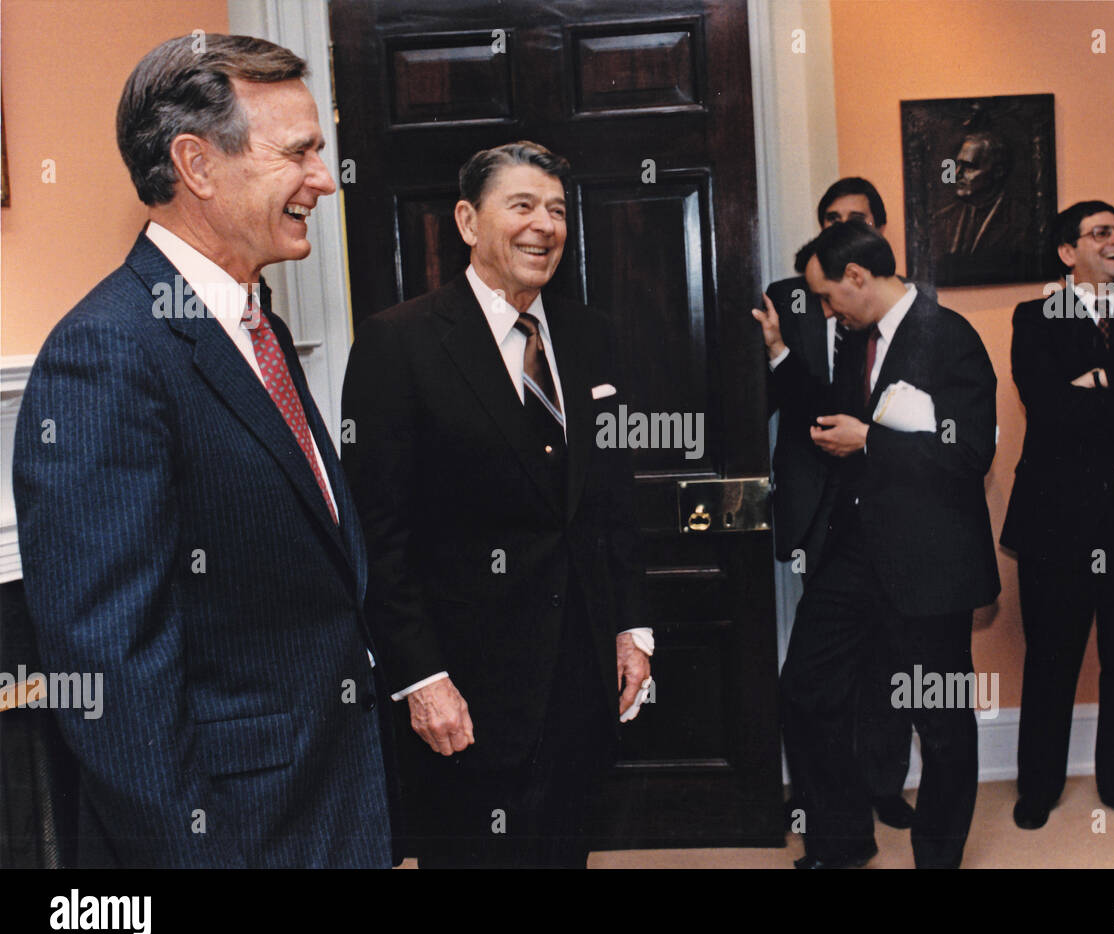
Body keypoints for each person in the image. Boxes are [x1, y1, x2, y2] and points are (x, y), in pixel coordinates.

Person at [11, 34, 395, 867]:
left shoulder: (262, 330)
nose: (324, 180)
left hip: (323, 805)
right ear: (196, 163)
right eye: (299, 153)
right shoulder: (106, 355)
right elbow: (112, 670)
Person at [341, 141, 653, 868]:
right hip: (466, 694)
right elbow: (378, 532)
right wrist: (419, 678)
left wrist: (632, 627)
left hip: (579, 683)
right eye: (522, 205)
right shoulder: (400, 342)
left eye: (556, 210)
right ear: (467, 220)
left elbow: (612, 499)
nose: (544, 225)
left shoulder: (591, 336)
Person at [753, 221, 999, 868]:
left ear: (858, 276)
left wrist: (873, 442)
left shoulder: (951, 337)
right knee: (805, 690)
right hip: (851, 557)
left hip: (928, 566)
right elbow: (830, 419)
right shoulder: (852, 339)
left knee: (940, 726)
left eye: (830, 295)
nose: (827, 310)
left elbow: (970, 450)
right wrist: (781, 352)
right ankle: (839, 845)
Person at [1002, 201, 1114, 832]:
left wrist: (1100, 387)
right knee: (1051, 659)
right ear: (1066, 252)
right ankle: (1038, 788)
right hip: (1057, 522)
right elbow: (1046, 405)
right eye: (1100, 232)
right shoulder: (1035, 316)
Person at [764, 177, 914, 831]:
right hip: (813, 504)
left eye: (855, 218)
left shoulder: (908, 311)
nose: (841, 225)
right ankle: (819, 799)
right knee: (816, 671)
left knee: (888, 662)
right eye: (830, 217)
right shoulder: (789, 298)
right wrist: (776, 353)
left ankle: (882, 784)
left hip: (884, 506)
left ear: (880, 228)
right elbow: (785, 409)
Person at [929, 129, 1028, 285]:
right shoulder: (943, 219)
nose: (957, 174)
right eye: (957, 165)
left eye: (969, 167)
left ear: (998, 172)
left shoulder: (1021, 220)